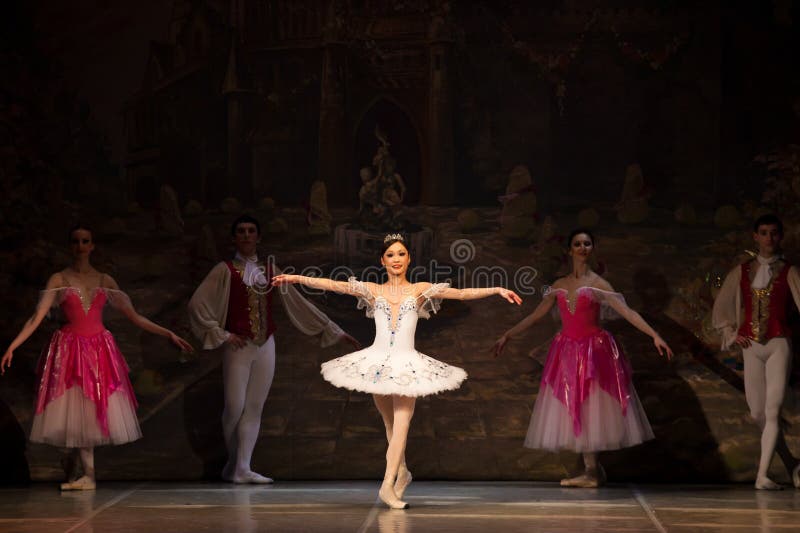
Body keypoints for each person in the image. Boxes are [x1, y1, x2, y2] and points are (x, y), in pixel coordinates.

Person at [272, 233, 522, 509]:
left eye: (401, 254)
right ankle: (403, 472)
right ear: (382, 260)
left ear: (409, 258)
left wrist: (497, 289)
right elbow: (334, 285)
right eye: (390, 255)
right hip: (377, 364)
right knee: (390, 427)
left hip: (407, 365)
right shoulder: (373, 290)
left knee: (402, 424)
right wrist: (296, 279)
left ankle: (387, 485)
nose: (396, 259)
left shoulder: (419, 290)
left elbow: (461, 293)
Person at [0, 225, 194, 490]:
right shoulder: (59, 279)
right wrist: (13, 345)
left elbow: (135, 317)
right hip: (70, 349)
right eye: (76, 241)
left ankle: (87, 475)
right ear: (70, 246)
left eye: (85, 241)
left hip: (98, 349)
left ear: (92, 246)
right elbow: (37, 316)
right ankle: (78, 466)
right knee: (74, 409)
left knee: (90, 410)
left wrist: (167, 333)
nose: (80, 246)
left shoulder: (105, 280)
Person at [492, 228, 672, 487]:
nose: (583, 248)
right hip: (567, 351)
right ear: (570, 249)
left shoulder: (599, 284)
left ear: (592, 249)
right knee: (572, 403)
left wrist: (654, 335)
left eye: (587, 243)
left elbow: (628, 312)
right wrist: (508, 335)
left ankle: (591, 472)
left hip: (593, 350)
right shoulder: (559, 285)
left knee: (590, 406)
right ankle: (592, 469)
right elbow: (536, 315)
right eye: (577, 243)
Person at [188, 214, 358, 484]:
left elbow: (296, 302)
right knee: (234, 406)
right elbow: (197, 305)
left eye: (251, 231)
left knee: (254, 407)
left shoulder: (269, 268)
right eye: (241, 231)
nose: (246, 235)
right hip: (239, 346)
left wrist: (332, 330)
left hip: (266, 343)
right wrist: (223, 334)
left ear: (258, 237)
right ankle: (234, 463)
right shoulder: (225, 269)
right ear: (234, 238)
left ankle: (242, 467)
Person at [712, 214, 800, 490]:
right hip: (751, 346)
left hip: (778, 344)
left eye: (774, 233)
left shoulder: (789, 271)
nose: (769, 238)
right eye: (764, 233)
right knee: (757, 414)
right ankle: (792, 463)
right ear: (755, 237)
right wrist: (732, 333)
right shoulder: (742, 271)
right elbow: (722, 307)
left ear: (779, 237)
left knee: (772, 412)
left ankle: (762, 476)